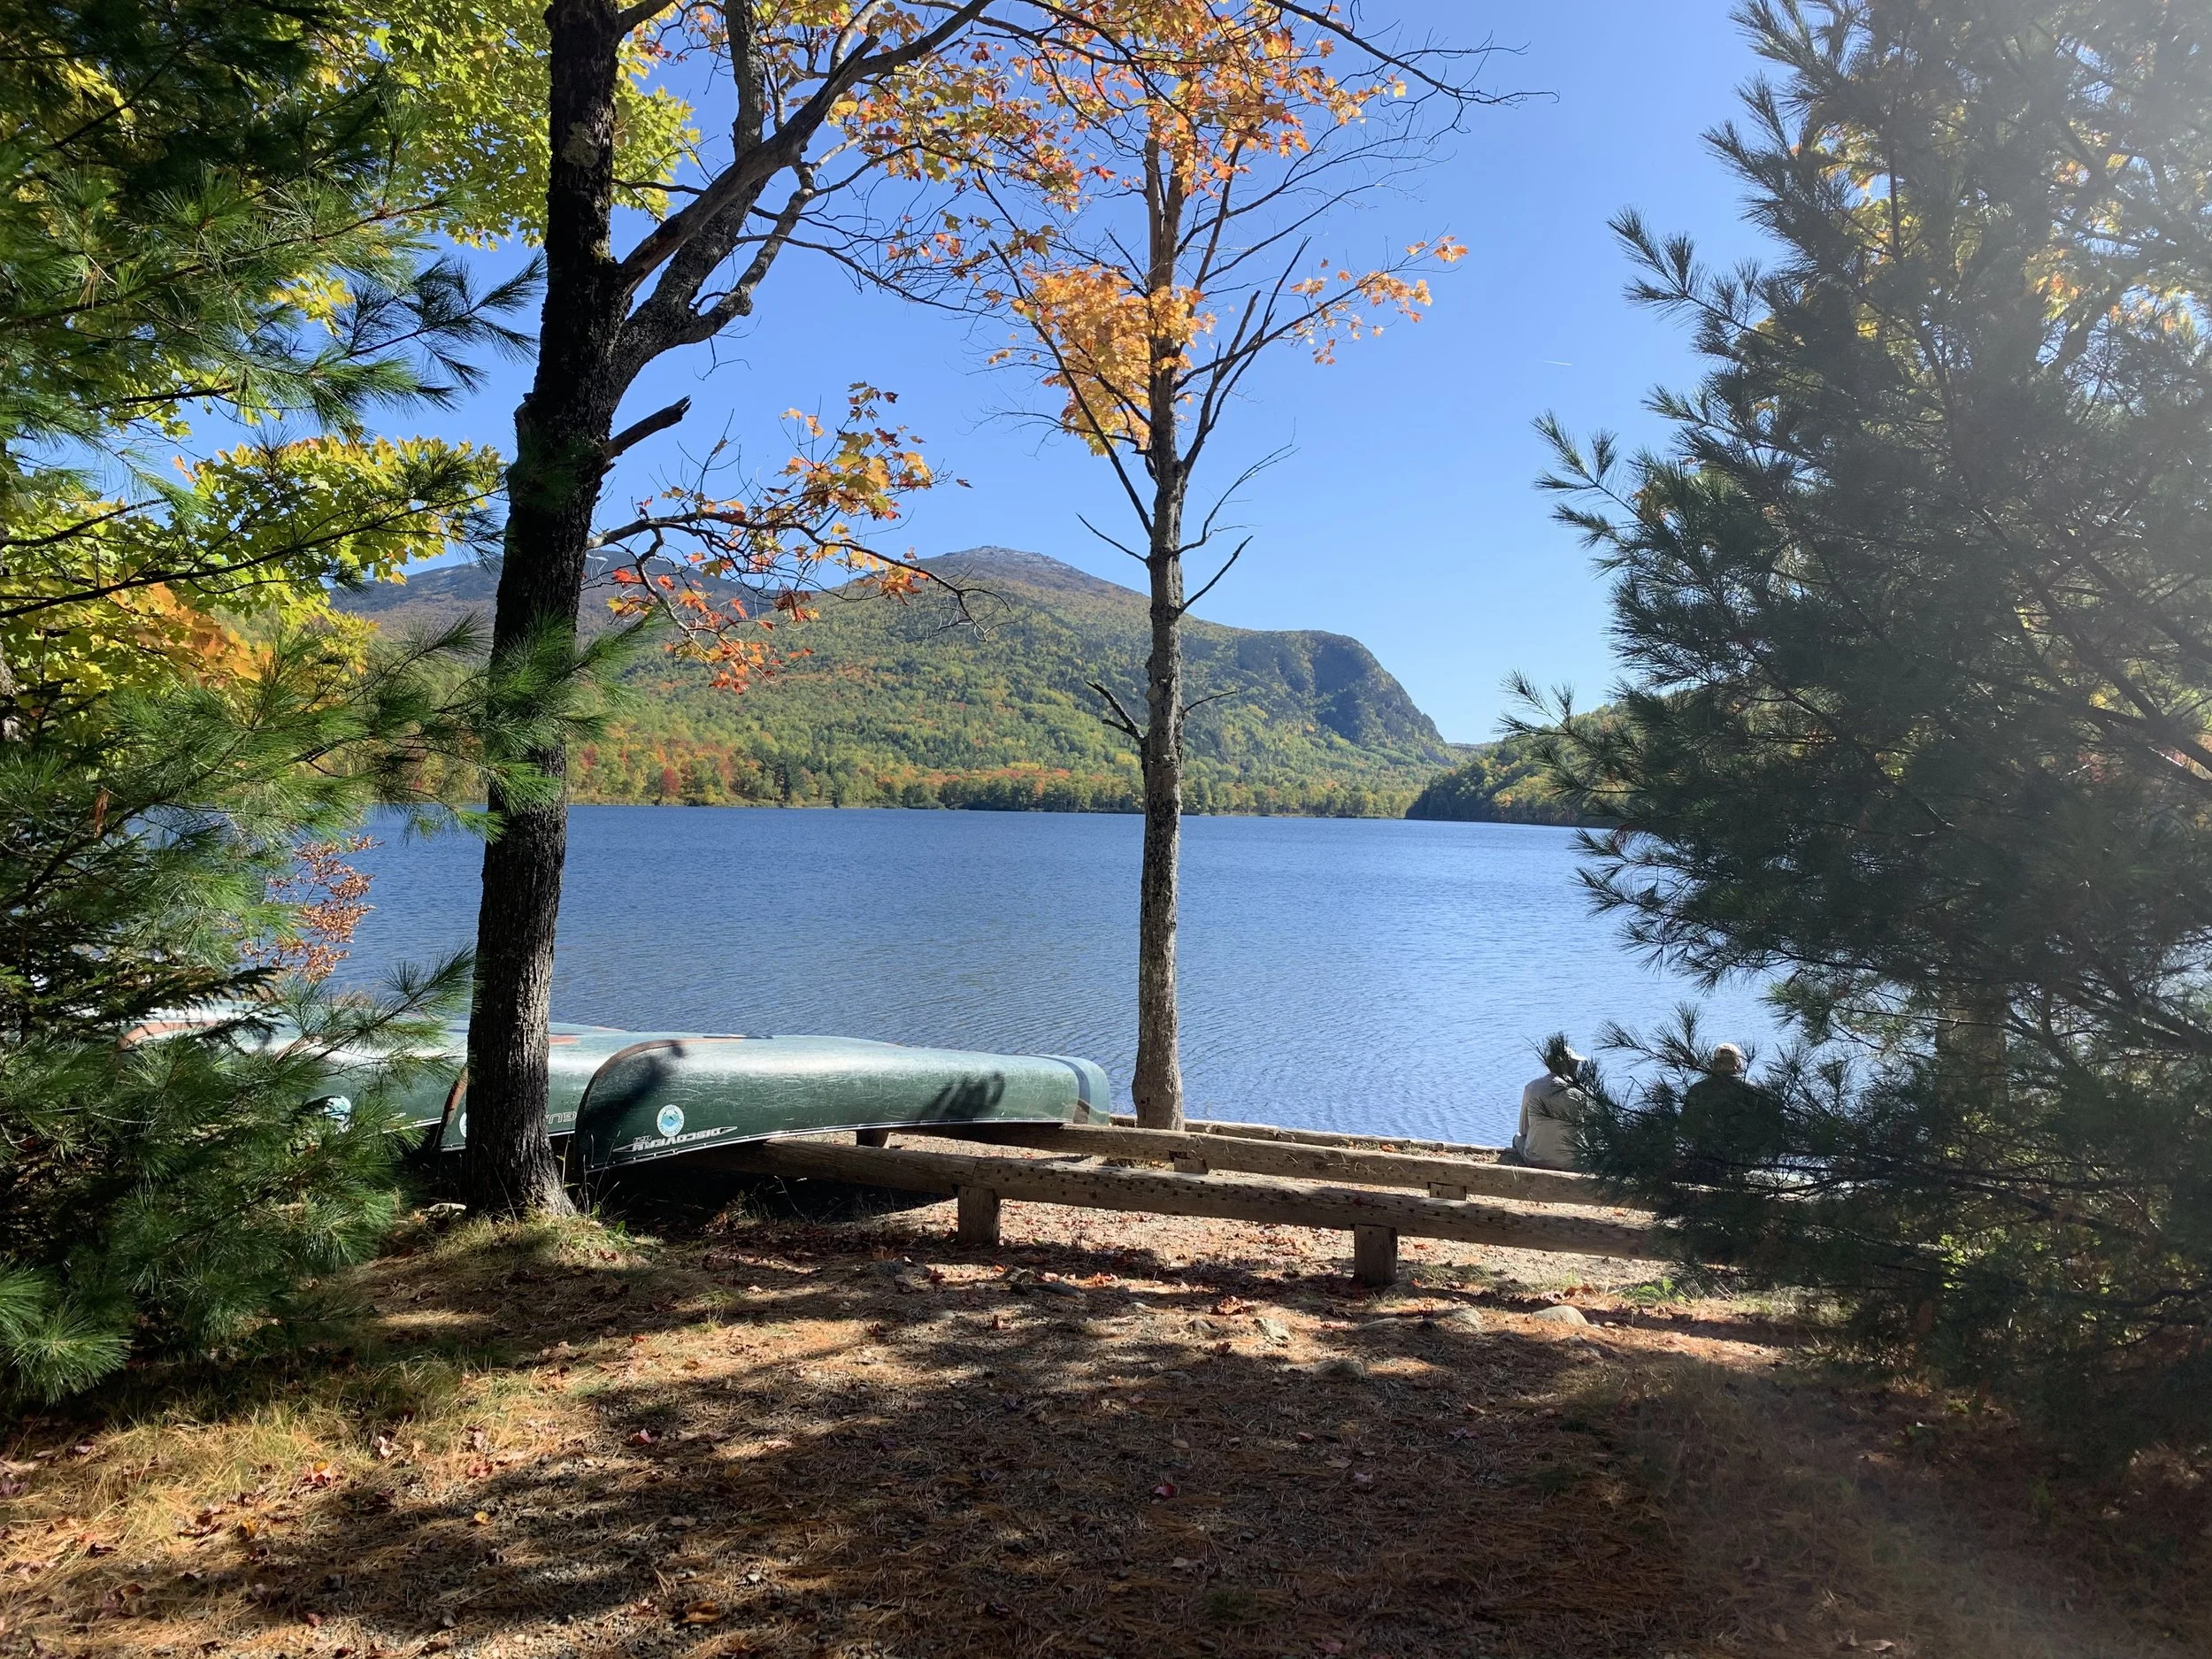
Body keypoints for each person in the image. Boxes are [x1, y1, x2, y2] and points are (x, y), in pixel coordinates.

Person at [1677, 1041, 1786, 1178]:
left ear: (1714, 1065)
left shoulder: (1697, 1090)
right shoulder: (1754, 1091)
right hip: (1743, 1163)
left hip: (1705, 1162)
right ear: (1738, 1065)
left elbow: (1685, 1129)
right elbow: (1773, 1131)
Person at [1513, 1033, 1589, 1170]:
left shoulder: (1531, 1087)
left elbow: (1523, 1130)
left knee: (1517, 1138)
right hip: (1573, 1163)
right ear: (1569, 1065)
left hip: (1536, 1159)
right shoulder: (1580, 1092)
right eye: (1575, 1064)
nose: (1577, 1067)